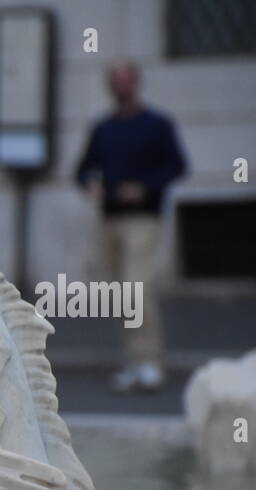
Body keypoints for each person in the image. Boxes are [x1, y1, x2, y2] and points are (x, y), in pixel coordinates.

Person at [75, 60, 187, 392]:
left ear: (136, 83)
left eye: (126, 80)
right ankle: (133, 359)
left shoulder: (157, 125)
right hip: (109, 219)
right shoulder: (103, 128)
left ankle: (150, 359)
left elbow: (177, 165)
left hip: (143, 218)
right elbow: (82, 169)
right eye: (116, 81)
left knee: (136, 287)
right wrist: (90, 185)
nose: (121, 86)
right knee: (118, 292)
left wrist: (145, 187)